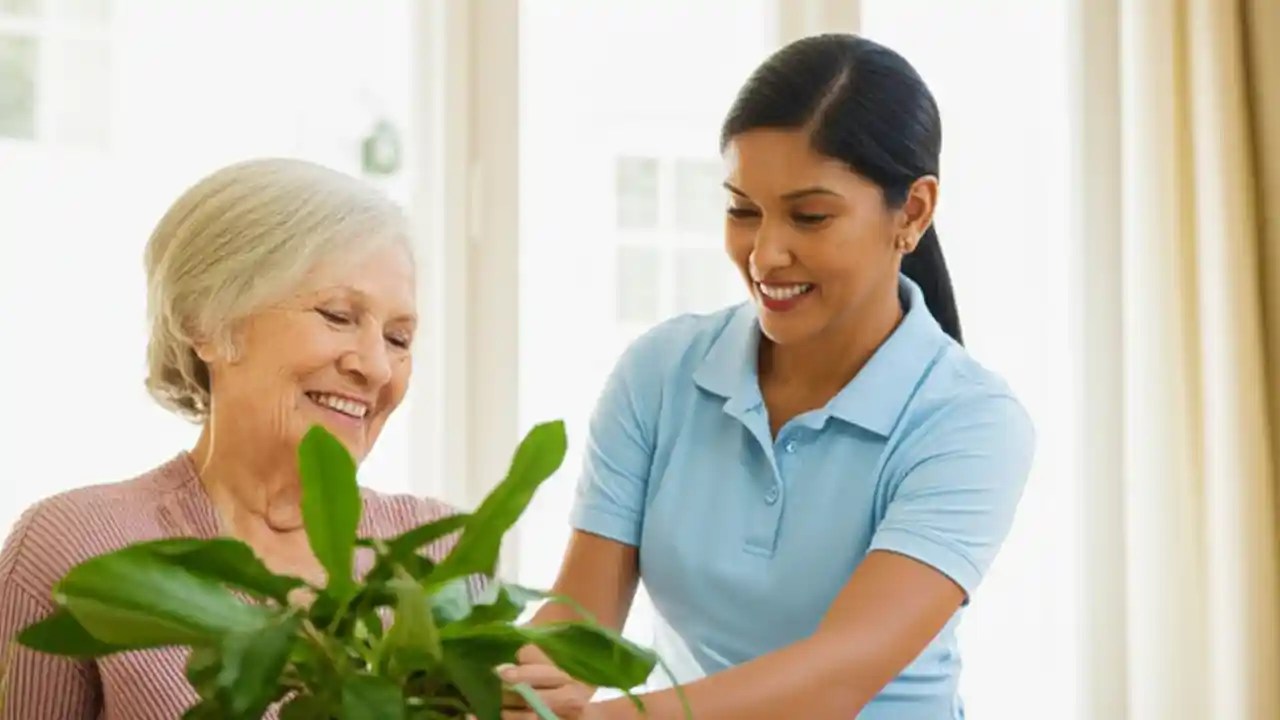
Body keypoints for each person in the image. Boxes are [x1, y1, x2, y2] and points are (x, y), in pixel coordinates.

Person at [503, 33, 1035, 719]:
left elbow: (839, 673)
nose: (764, 254)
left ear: (913, 212)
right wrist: (506, 688)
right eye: (742, 210)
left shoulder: (970, 420)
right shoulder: (661, 373)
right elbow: (578, 623)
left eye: (809, 216)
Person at [0, 158, 476, 720]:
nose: (376, 366)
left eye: (399, 338)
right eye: (338, 315)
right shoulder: (74, 545)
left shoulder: (440, 554)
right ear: (209, 324)